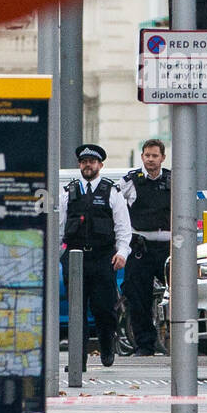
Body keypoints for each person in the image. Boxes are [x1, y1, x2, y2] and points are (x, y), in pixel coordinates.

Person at [58, 143, 131, 368]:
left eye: (91, 162)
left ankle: (107, 349)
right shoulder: (68, 192)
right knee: (76, 310)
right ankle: (77, 361)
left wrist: (122, 253)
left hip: (102, 258)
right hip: (75, 258)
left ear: (100, 165)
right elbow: (59, 229)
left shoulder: (111, 191)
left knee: (104, 308)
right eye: (83, 162)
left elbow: (122, 227)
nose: (87, 165)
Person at [118, 139, 170, 357]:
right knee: (138, 297)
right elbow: (116, 209)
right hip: (141, 247)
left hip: (169, 246)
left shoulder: (173, 179)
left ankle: (179, 342)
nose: (150, 159)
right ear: (142, 157)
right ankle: (144, 345)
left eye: (155, 156)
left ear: (162, 158)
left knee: (180, 293)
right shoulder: (130, 181)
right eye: (147, 155)